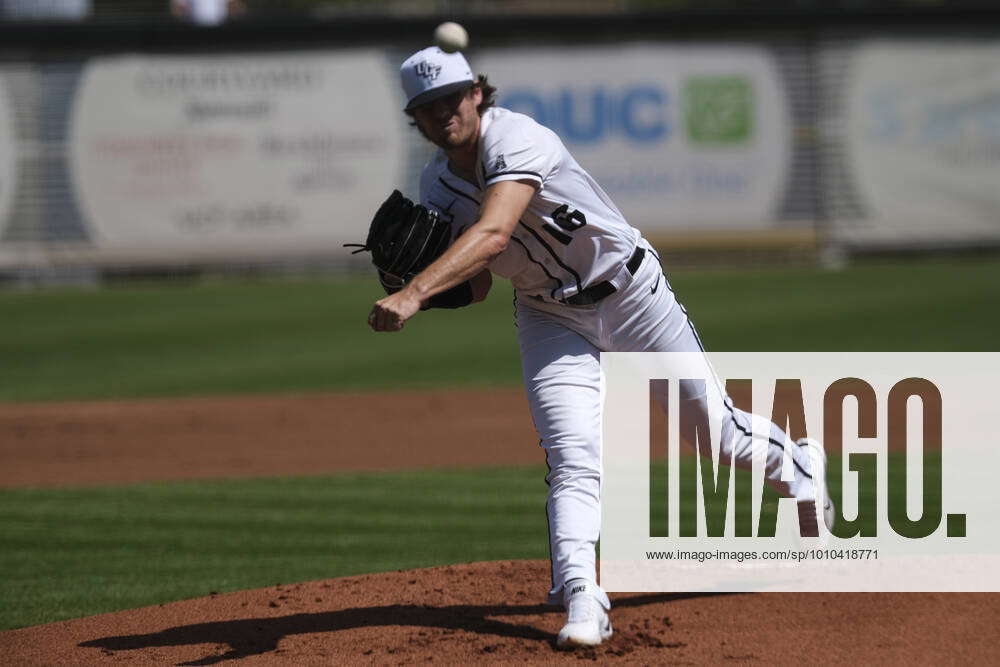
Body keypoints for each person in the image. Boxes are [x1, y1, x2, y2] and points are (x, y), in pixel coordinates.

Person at [368, 46, 834, 649]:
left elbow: (493, 234)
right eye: (427, 106)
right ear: (416, 117)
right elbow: (480, 284)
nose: (443, 112)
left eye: (451, 97)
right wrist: (413, 282)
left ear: (477, 94)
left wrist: (414, 292)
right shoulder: (436, 185)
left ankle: (800, 467)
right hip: (549, 315)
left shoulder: (517, 138)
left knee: (711, 433)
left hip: (632, 294)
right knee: (572, 455)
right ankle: (583, 595)